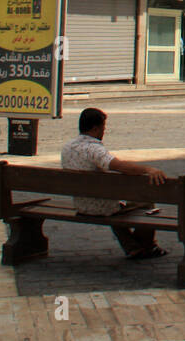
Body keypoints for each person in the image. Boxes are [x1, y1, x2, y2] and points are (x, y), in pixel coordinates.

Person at [61, 108, 170, 260]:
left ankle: (133, 247)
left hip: (80, 204)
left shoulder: (67, 147)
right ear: (95, 128)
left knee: (113, 203)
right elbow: (120, 166)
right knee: (146, 205)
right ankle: (145, 246)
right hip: (101, 206)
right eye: (103, 128)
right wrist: (148, 169)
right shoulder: (94, 150)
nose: (104, 131)